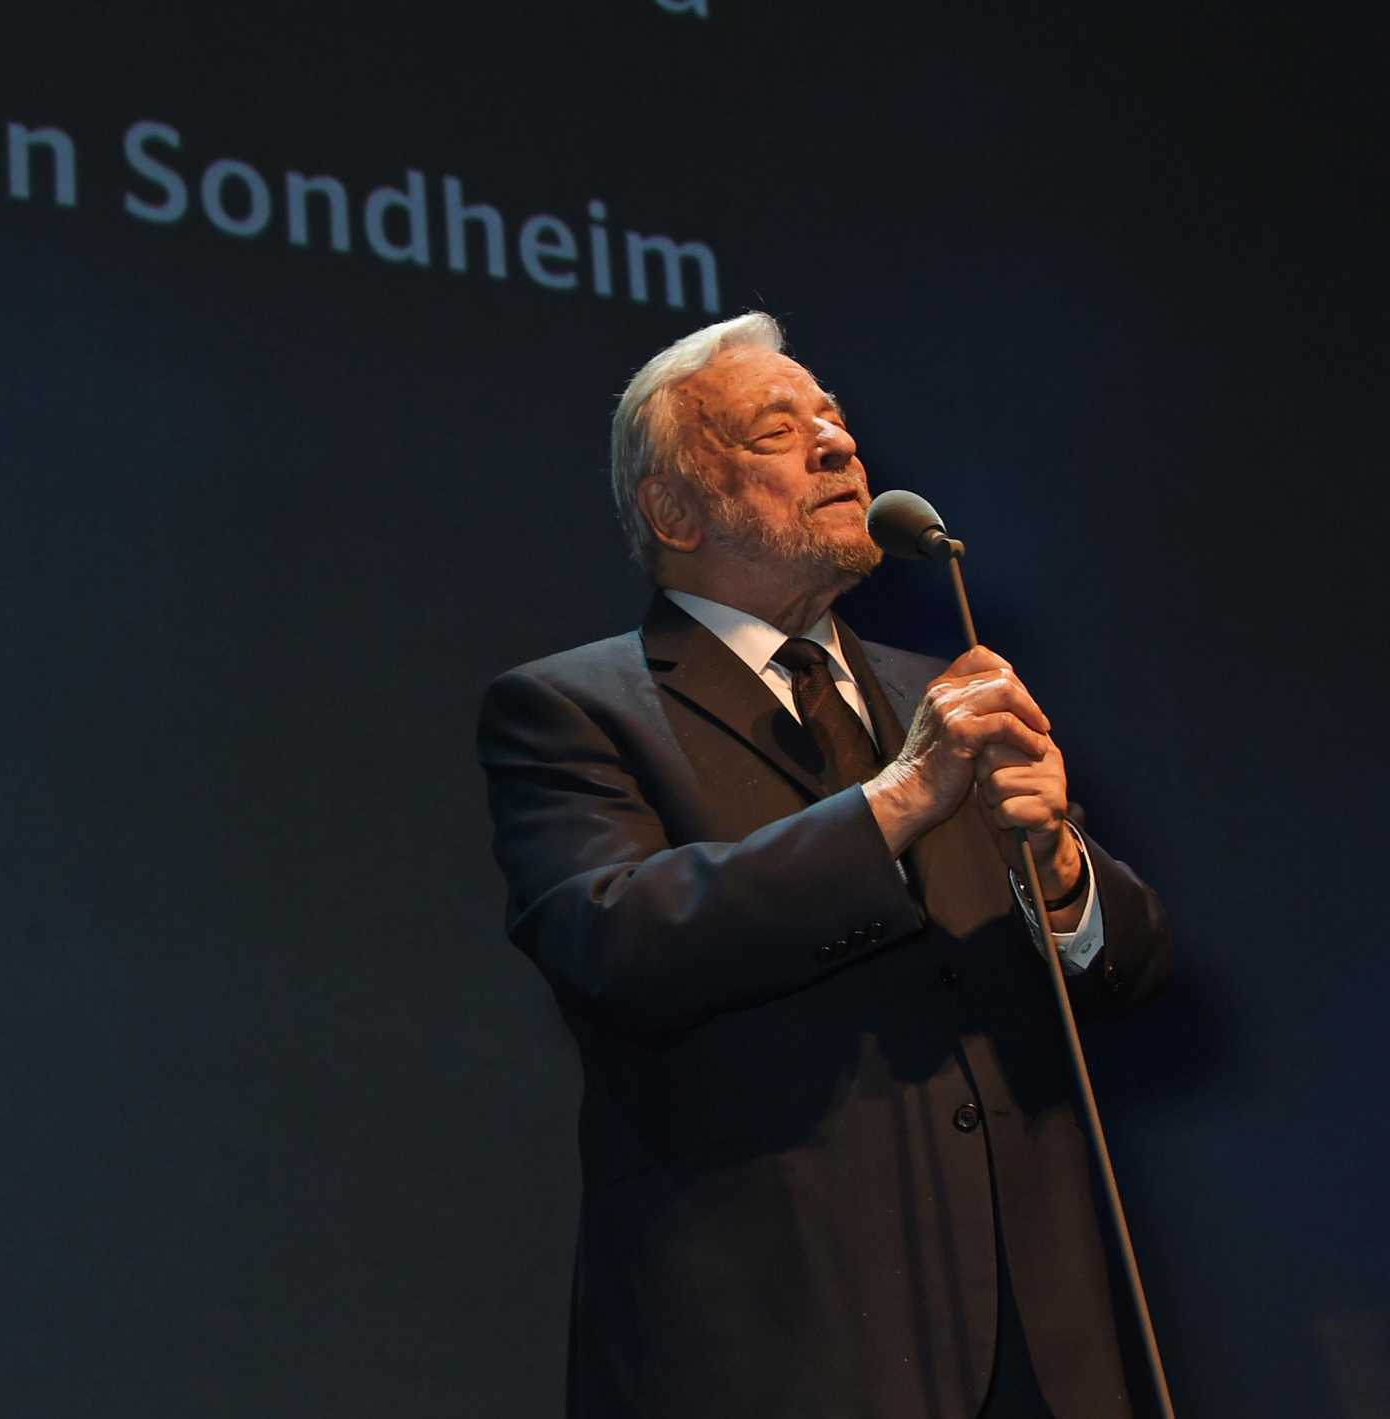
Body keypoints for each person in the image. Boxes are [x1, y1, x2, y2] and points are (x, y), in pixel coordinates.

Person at [476, 312, 1172, 1419]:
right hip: (778, 1350)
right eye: (777, 430)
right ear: (673, 510)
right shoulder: (572, 709)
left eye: (835, 420)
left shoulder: (939, 684)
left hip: (1040, 1352)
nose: (839, 446)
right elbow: (617, 943)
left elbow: (1130, 968)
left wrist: (1055, 870)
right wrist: (896, 800)